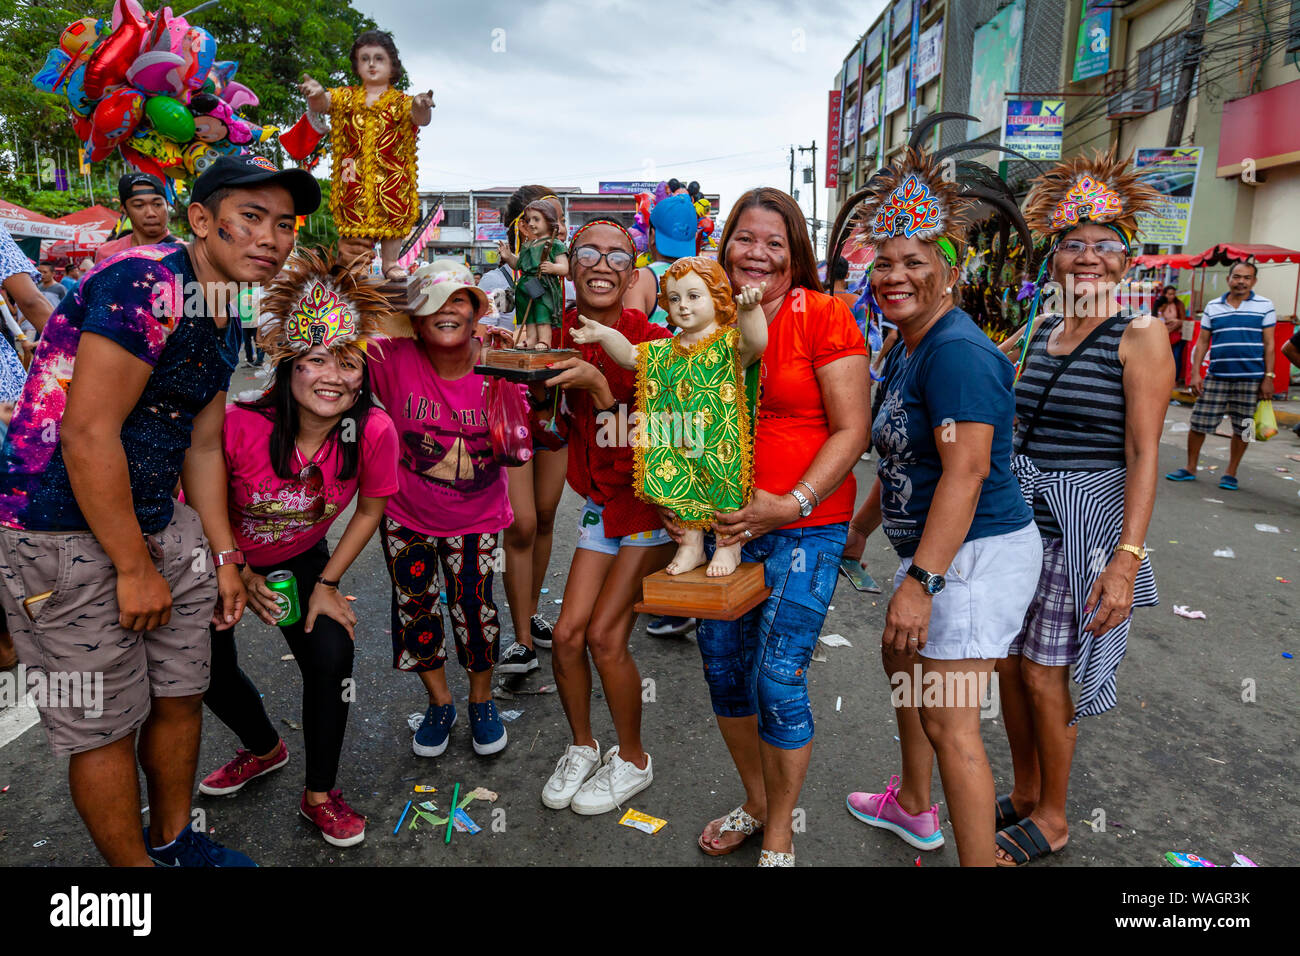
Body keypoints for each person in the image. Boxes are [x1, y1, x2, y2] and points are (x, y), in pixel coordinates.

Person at [0, 153, 320, 866]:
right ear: (202, 220)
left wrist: (226, 555)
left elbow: (203, 445)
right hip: (59, 528)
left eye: (284, 224)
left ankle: (175, 846)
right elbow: (88, 434)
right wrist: (133, 567)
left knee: (182, 691)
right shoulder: (145, 281)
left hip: (155, 517)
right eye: (251, 218)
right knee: (103, 725)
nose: (270, 238)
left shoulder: (232, 302)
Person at [831, 148, 1039, 868]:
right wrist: (861, 533)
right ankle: (915, 809)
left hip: (975, 556)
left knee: (952, 722)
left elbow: (968, 472)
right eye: (884, 262)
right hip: (940, 552)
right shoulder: (905, 346)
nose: (895, 275)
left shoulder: (957, 352)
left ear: (950, 268)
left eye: (915, 260)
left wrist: (921, 583)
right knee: (901, 659)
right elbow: (901, 459)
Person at [984, 150, 1171, 866]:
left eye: (1104, 246)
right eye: (1073, 244)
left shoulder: (1141, 334)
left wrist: (1126, 560)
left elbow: (1143, 453)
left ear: (1125, 262)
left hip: (1081, 533)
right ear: (1054, 257)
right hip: (1018, 523)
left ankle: (1056, 817)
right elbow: (978, 367)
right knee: (1006, 664)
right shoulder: (1037, 331)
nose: (1087, 256)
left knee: (1042, 672)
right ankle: (1027, 793)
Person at [674, 187, 867, 866]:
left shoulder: (825, 315)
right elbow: (683, 416)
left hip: (806, 524)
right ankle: (755, 801)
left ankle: (781, 829)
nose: (756, 254)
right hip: (725, 526)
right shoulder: (703, 317)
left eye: (774, 243)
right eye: (744, 239)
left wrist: (794, 501)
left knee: (777, 678)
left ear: (796, 254)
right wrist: (677, 493)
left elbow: (852, 429)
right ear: (725, 245)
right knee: (724, 672)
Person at [197, 249, 398, 848]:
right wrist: (232, 566)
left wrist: (329, 583)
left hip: (301, 559)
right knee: (202, 666)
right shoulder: (239, 425)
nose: (334, 376)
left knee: (332, 657)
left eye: (349, 363)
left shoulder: (375, 430)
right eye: (316, 360)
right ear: (288, 367)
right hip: (214, 554)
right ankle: (264, 748)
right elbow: (193, 505)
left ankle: (320, 795)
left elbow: (370, 508)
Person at [537, 219, 676, 815]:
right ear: (570, 264)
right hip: (599, 505)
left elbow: (661, 442)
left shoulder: (658, 339)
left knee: (604, 637)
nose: (601, 264)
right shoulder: (559, 330)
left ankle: (634, 759)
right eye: (587, 252)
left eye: (617, 256)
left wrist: (599, 387)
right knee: (565, 638)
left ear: (634, 269)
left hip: (648, 502)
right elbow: (551, 420)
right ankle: (583, 746)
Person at [368, 259, 513, 758]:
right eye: (432, 301)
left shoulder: (501, 358)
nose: (447, 310)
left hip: (478, 518)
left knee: (475, 610)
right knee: (416, 611)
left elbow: (535, 418)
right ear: (415, 317)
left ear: (476, 312)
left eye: (459, 300)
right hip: (405, 514)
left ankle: (481, 700)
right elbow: (346, 323)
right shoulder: (390, 358)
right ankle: (440, 702)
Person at [492, 186, 569, 677]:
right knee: (519, 524)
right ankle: (519, 636)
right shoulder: (497, 275)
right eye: (533, 218)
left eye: (551, 218)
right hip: (511, 410)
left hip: (558, 409)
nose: (541, 226)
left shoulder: (572, 276)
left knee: (543, 516)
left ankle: (533, 615)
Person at [623, 191, 703, 639]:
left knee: (661, 500)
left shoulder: (645, 277)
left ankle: (673, 599)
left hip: (657, 398)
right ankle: (684, 598)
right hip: (697, 398)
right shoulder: (703, 275)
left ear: (651, 233)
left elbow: (631, 332)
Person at [300, 29, 434, 279]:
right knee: (354, 217)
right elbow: (322, 103)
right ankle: (355, 265)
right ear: (356, 64)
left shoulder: (402, 102)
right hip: (353, 174)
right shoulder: (344, 97)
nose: (372, 64)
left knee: (393, 217)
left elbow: (420, 118)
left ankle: (391, 263)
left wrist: (421, 105)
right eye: (365, 58)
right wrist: (316, 92)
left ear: (392, 65)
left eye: (378, 58)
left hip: (392, 175)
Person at [1166, 261, 1275, 491]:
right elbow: (1203, 341)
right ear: (1229, 279)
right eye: (1237, 277)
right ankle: (1190, 468)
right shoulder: (1213, 306)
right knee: (1198, 422)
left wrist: (1269, 376)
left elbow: (1270, 344)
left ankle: (1231, 473)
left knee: (1245, 427)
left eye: (1246, 277)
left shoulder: (1265, 306)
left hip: (1251, 377)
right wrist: (1195, 374)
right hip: (1216, 375)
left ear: (1253, 281)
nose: (1241, 282)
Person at [94, 173, 182, 262]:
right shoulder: (108, 254)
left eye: (157, 204)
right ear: (124, 209)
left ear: (167, 205)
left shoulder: (185, 254)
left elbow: (180, 276)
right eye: (139, 205)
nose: (151, 213)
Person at [1158, 285, 1187, 385]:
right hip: (1164, 334)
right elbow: (1157, 317)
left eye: (1174, 294)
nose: (1172, 296)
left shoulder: (1179, 304)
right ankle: (1162, 378)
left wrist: (1174, 323)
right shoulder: (1160, 304)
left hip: (1177, 334)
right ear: (1165, 294)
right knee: (1163, 358)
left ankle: (1175, 380)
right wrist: (1169, 323)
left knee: (1176, 357)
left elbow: (1182, 320)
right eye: (1170, 294)